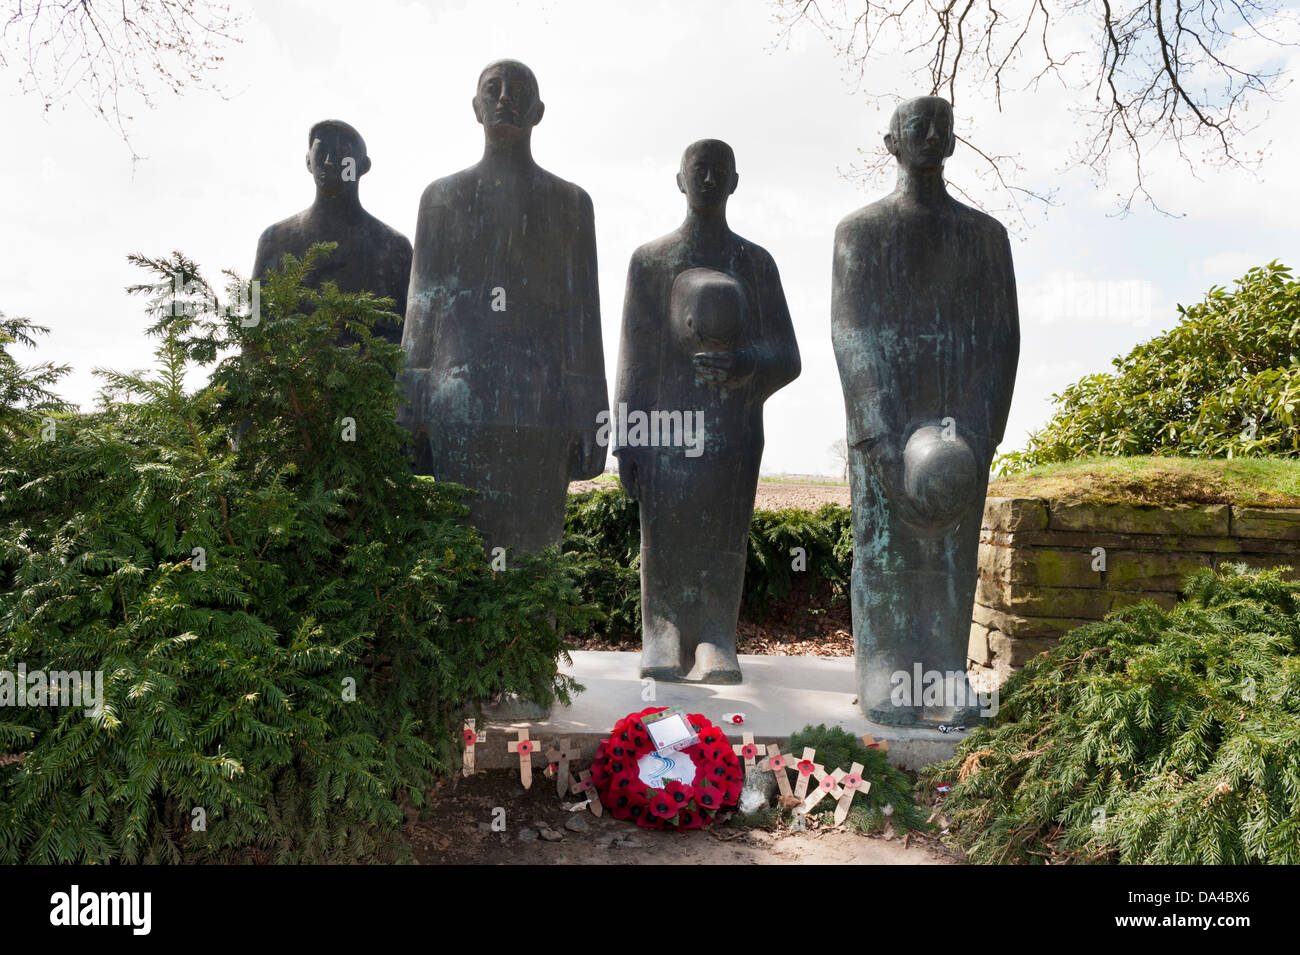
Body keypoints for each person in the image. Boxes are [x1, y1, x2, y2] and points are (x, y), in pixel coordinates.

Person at [832, 96, 1020, 724]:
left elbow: (1000, 338)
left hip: (959, 426)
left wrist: (981, 431)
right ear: (891, 142)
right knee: (884, 549)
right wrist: (877, 434)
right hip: (886, 423)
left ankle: (941, 673)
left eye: (942, 126)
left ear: (952, 143)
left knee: (950, 553)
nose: (931, 134)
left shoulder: (985, 236)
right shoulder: (861, 232)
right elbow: (852, 334)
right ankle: (885, 671)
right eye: (917, 125)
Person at [615, 139, 801, 683]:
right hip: (664, 429)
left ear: (734, 182)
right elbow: (633, 356)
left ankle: (718, 636)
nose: (708, 179)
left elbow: (787, 356)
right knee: (665, 533)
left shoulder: (755, 263)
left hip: (732, 429)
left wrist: (747, 364)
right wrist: (627, 437)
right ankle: (663, 633)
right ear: (679, 180)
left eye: (719, 171)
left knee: (724, 534)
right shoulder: (650, 262)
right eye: (698, 170)